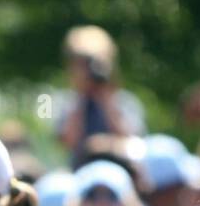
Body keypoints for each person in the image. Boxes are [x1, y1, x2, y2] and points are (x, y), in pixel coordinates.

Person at [58, 25, 147, 167]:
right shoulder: (67, 103)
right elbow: (68, 142)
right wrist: (81, 95)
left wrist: (106, 99)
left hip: (120, 172)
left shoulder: (126, 102)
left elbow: (132, 141)